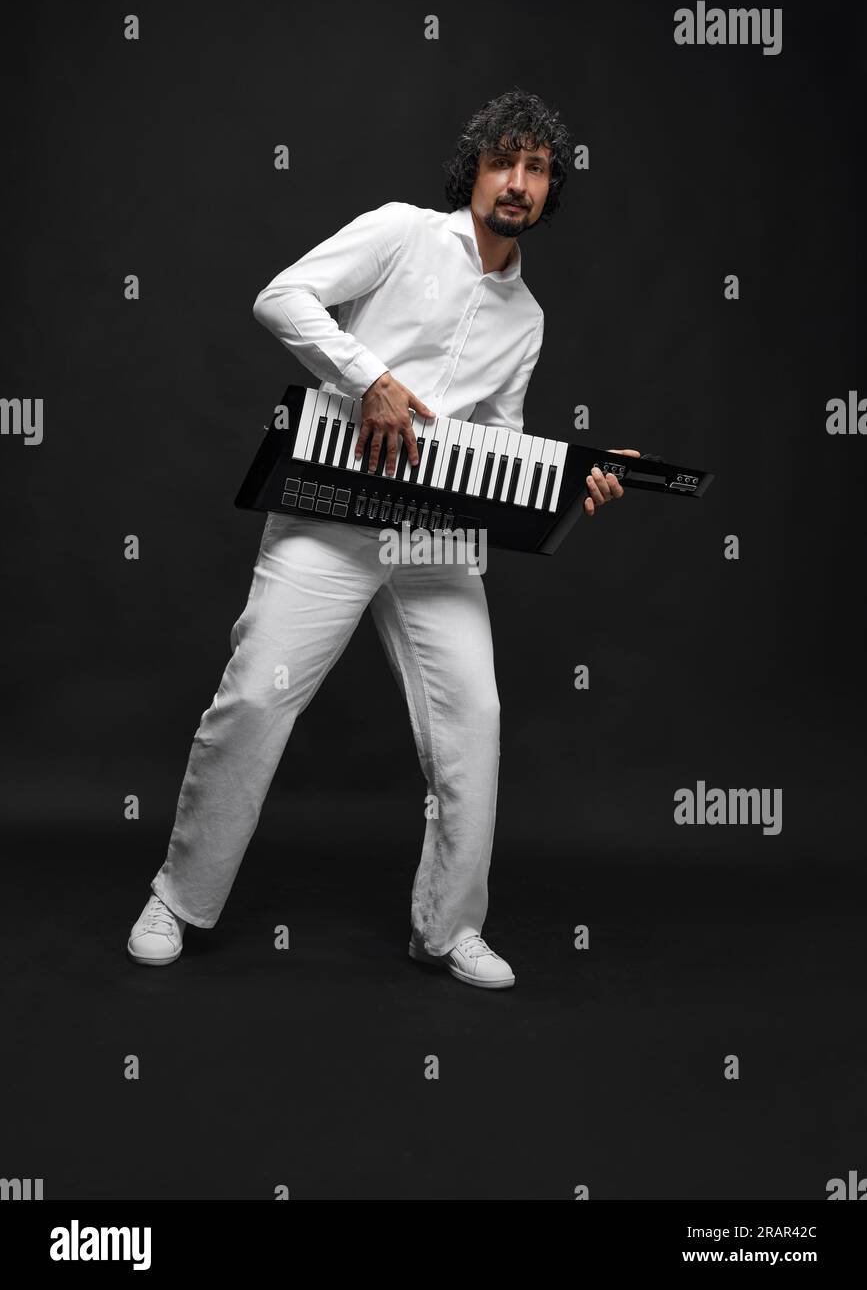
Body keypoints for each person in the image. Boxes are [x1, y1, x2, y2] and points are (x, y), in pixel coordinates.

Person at [126, 88, 638, 989]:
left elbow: (499, 445)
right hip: (329, 510)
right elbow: (281, 298)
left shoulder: (528, 320)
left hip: (434, 536)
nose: (516, 183)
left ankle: (448, 929)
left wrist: (577, 475)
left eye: (535, 170)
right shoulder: (402, 232)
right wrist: (370, 378)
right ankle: (177, 894)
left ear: (550, 189)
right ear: (473, 169)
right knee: (253, 699)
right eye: (502, 162)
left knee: (473, 718)